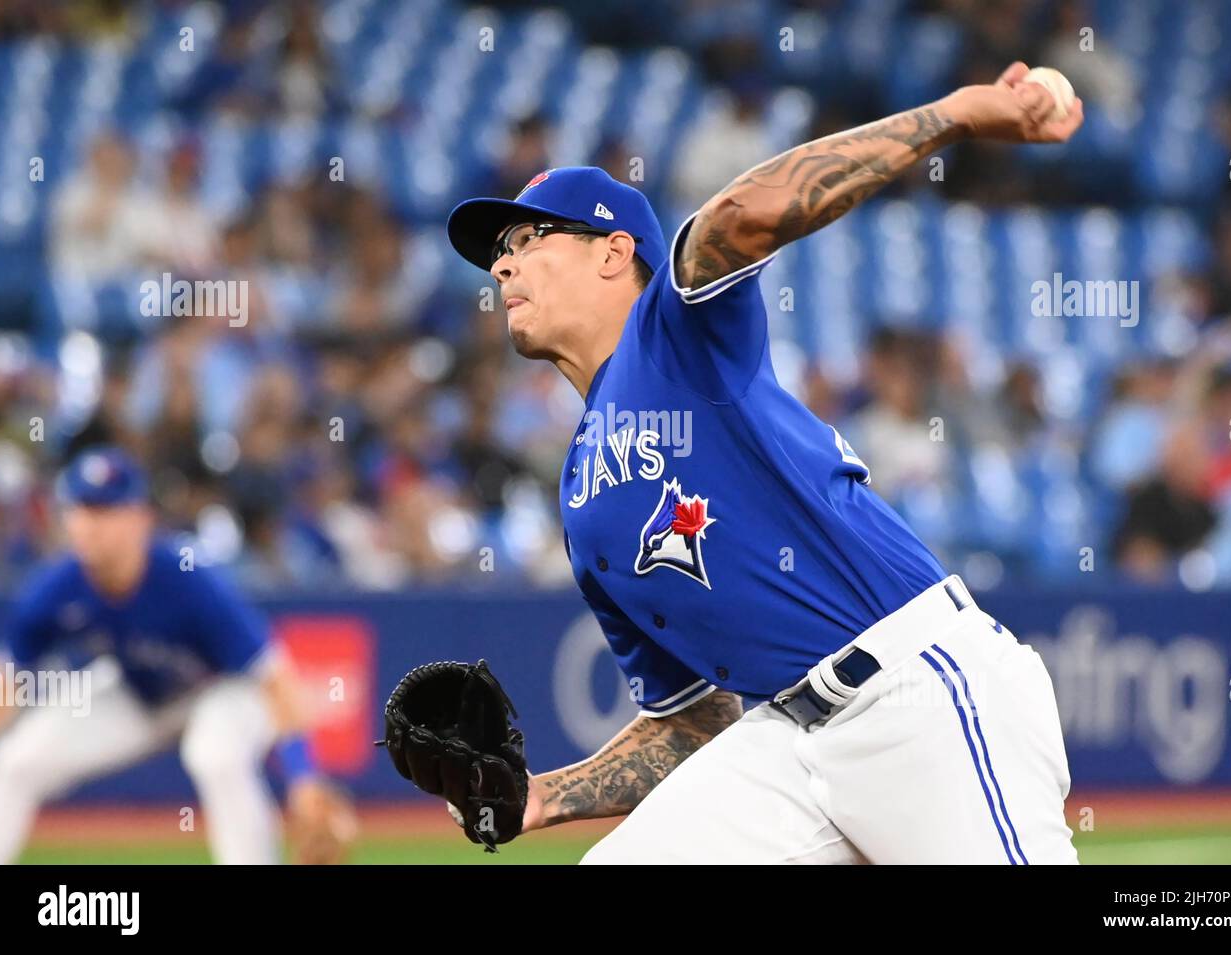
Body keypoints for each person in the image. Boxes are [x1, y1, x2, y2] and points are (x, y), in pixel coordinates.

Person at [444, 63, 1084, 863]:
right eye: (498, 252)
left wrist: (954, 114)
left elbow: (747, 213)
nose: (502, 265)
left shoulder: (675, 334)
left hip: (915, 691)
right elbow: (693, 719)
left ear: (614, 252)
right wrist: (543, 794)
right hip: (785, 740)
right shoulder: (579, 499)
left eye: (528, 239)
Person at [0, 446, 349, 864]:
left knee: (214, 755)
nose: (89, 524)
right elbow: (5, 679)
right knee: (17, 762)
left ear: (140, 518)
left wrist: (304, 778)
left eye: (105, 510)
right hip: (139, 696)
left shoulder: (186, 577)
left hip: (221, 692)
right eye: (80, 509)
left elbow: (276, 677)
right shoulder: (56, 586)